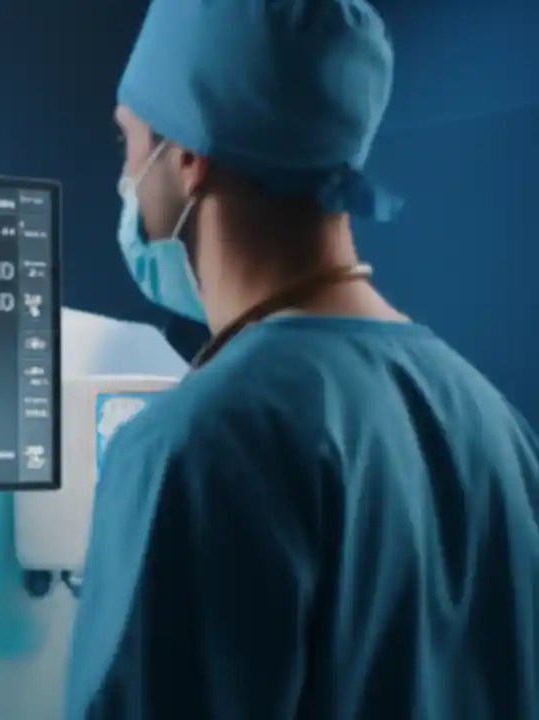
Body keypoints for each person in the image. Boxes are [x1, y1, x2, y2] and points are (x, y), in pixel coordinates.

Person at [66, 1, 539, 718]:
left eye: (127, 141)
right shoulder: (495, 427)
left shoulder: (194, 447)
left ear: (187, 157)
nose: (125, 177)